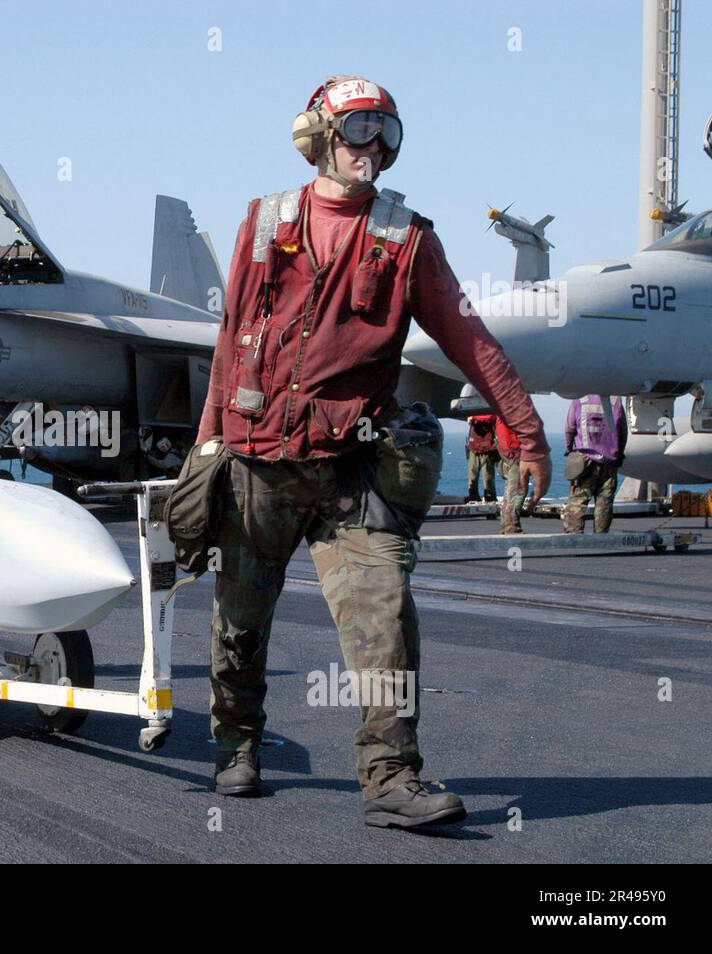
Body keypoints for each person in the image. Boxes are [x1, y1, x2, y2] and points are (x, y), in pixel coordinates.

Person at [197, 75, 552, 828]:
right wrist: (206, 447)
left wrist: (525, 427)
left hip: (354, 469)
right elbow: (231, 341)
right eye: (361, 130)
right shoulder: (263, 222)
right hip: (258, 461)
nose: (376, 149)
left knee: (385, 619)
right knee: (238, 621)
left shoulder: (408, 239)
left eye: (388, 133)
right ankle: (236, 744)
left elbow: (470, 338)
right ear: (322, 134)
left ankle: (391, 777)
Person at [563, 394, 627, 534]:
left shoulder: (579, 399)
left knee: (579, 498)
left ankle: (574, 532)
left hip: (585, 460)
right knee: (605, 501)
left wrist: (569, 449)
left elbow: (570, 428)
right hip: (609, 460)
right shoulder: (615, 400)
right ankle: (601, 533)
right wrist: (619, 453)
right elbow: (622, 431)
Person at [496, 415, 526, 534]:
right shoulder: (511, 413)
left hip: (507, 456)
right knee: (517, 493)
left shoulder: (500, 414)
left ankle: (506, 525)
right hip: (515, 456)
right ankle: (512, 526)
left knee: (509, 494)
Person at [464, 413, 499, 502]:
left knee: (487, 476)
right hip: (474, 447)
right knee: (473, 475)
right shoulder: (474, 413)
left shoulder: (486, 411)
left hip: (486, 449)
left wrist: (475, 418)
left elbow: (491, 417)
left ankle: (490, 496)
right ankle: (473, 495)